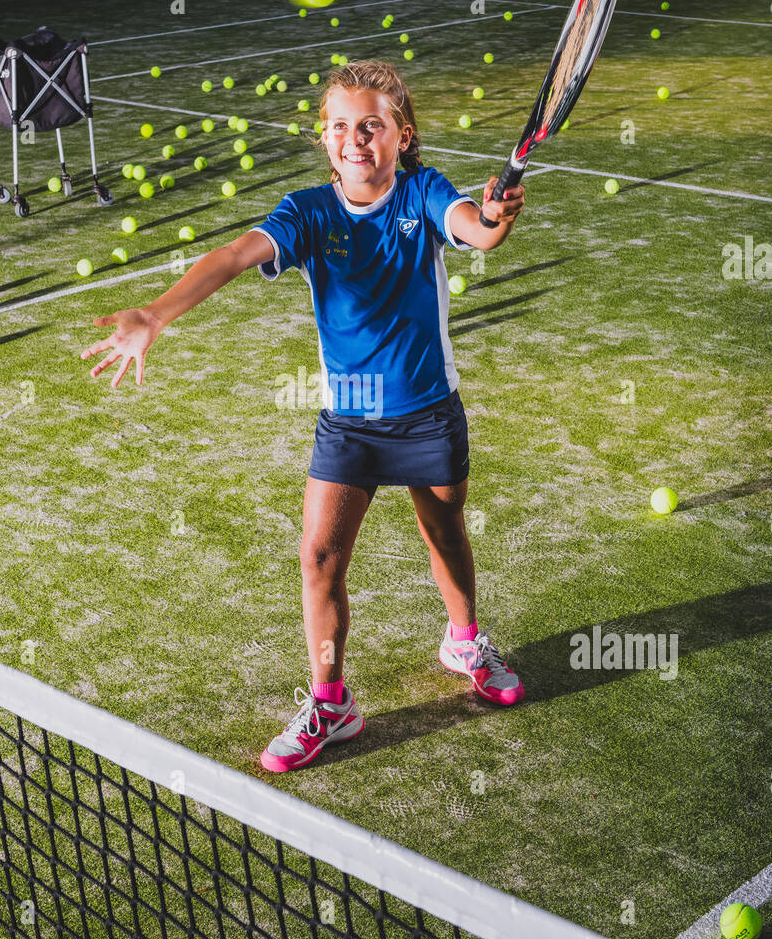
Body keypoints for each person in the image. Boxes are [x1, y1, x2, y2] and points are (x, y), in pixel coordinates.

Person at [82, 59, 526, 773]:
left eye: (373, 126)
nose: (356, 139)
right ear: (325, 139)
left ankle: (463, 639)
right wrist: (156, 314)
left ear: (402, 136)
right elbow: (233, 256)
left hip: (426, 414)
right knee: (318, 557)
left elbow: (473, 230)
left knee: (443, 528)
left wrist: (496, 216)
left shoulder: (422, 193)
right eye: (342, 127)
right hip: (349, 424)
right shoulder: (308, 213)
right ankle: (330, 701)